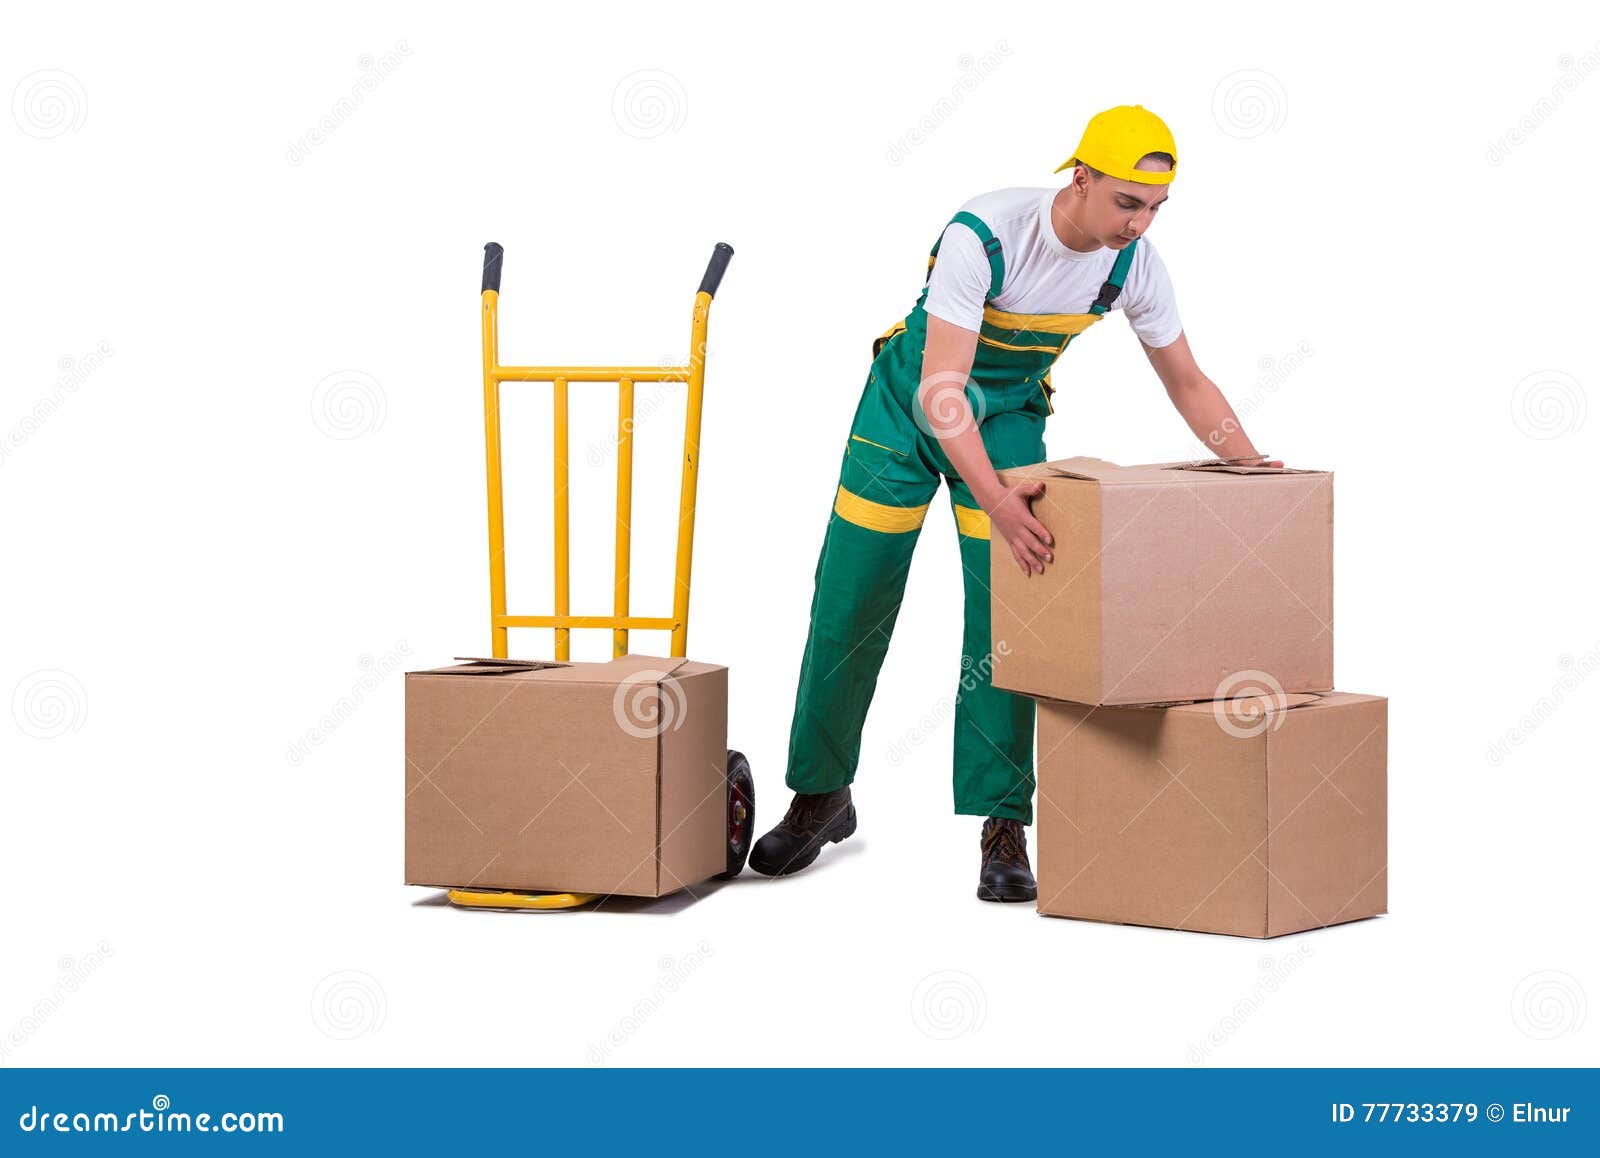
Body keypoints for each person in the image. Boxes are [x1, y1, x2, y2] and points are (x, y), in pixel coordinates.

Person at [748, 105, 1275, 901]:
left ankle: (1003, 823)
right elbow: (940, 388)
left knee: (1008, 619)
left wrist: (1258, 470)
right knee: (849, 599)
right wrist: (993, 499)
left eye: (1156, 207)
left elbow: (1188, 381)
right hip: (906, 411)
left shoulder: (1134, 267)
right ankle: (821, 794)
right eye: (1127, 201)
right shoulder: (985, 234)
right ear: (1082, 177)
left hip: (1007, 420)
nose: (1140, 222)